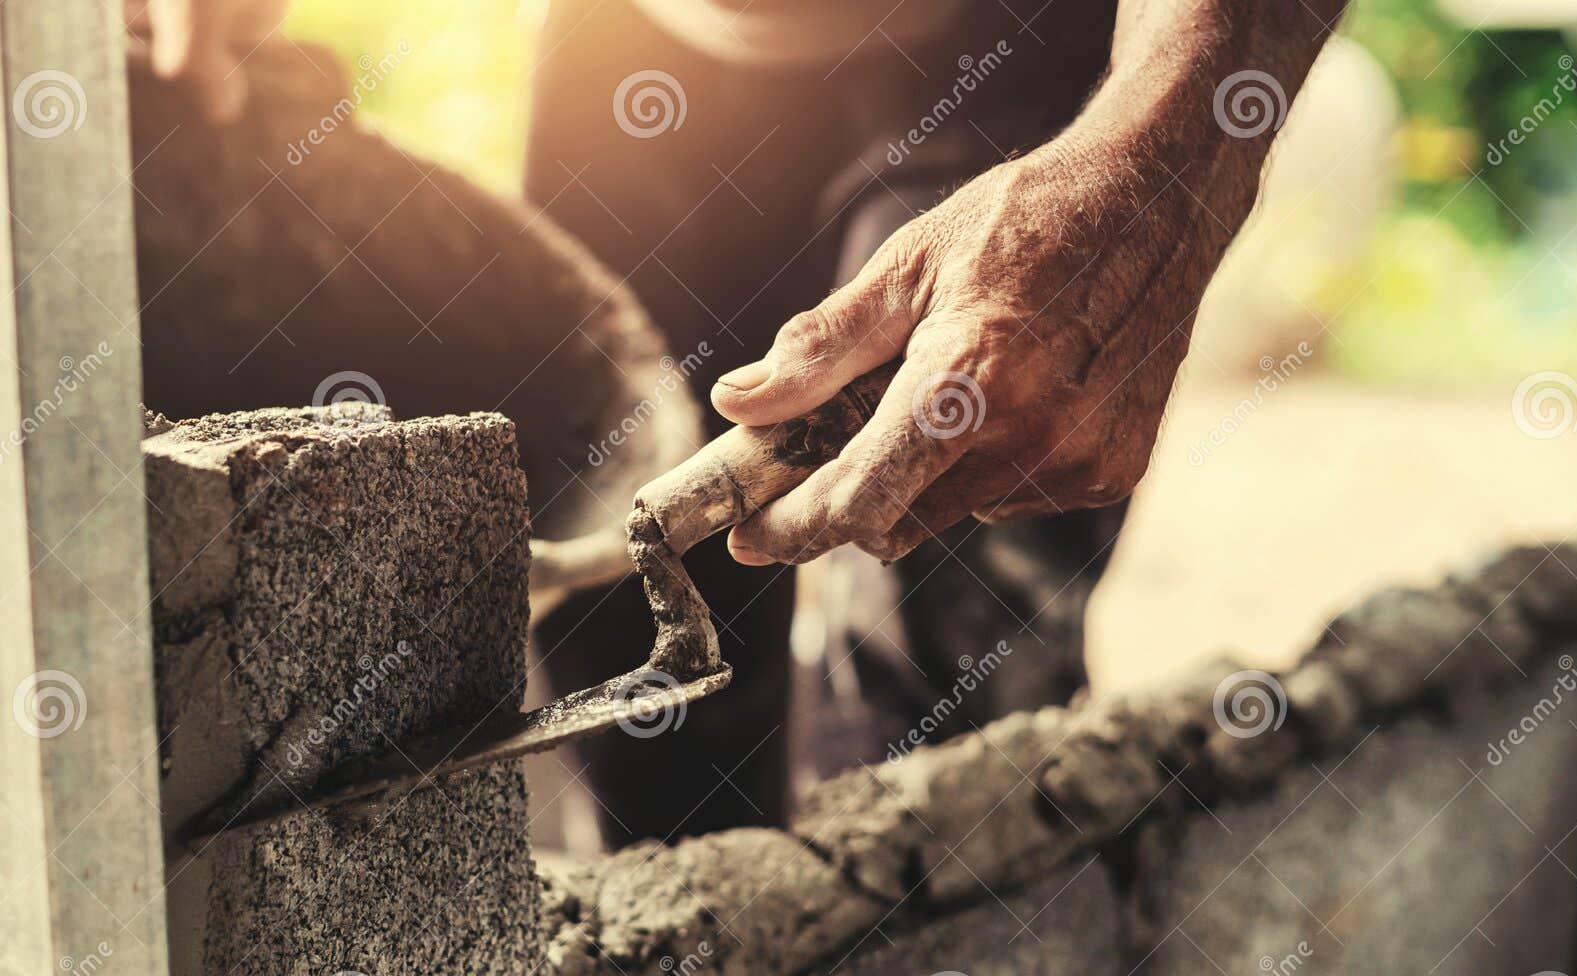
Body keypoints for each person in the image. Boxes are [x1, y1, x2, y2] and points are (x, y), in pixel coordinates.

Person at [128, 0, 1346, 847]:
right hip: (649, 53)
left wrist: (1166, 151)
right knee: (643, 687)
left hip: (1035, 46)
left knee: (941, 612)